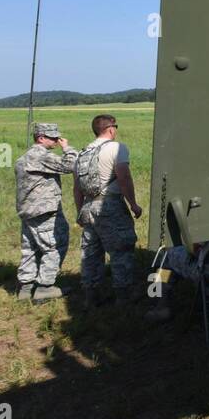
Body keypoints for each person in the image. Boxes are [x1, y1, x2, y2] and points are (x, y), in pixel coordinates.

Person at [74, 114, 143, 307]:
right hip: (109, 205)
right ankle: (124, 296)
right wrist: (133, 204)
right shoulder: (116, 148)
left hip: (88, 207)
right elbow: (124, 177)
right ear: (111, 129)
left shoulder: (82, 153)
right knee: (121, 250)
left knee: (91, 253)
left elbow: (77, 188)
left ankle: (91, 296)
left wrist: (80, 212)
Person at [14, 122, 77, 303]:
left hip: (28, 211)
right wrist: (67, 148)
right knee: (55, 245)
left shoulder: (23, 158)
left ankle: (26, 287)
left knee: (30, 248)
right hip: (44, 211)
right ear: (41, 138)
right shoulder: (41, 156)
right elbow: (71, 165)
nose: (57, 140)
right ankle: (45, 287)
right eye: (53, 138)